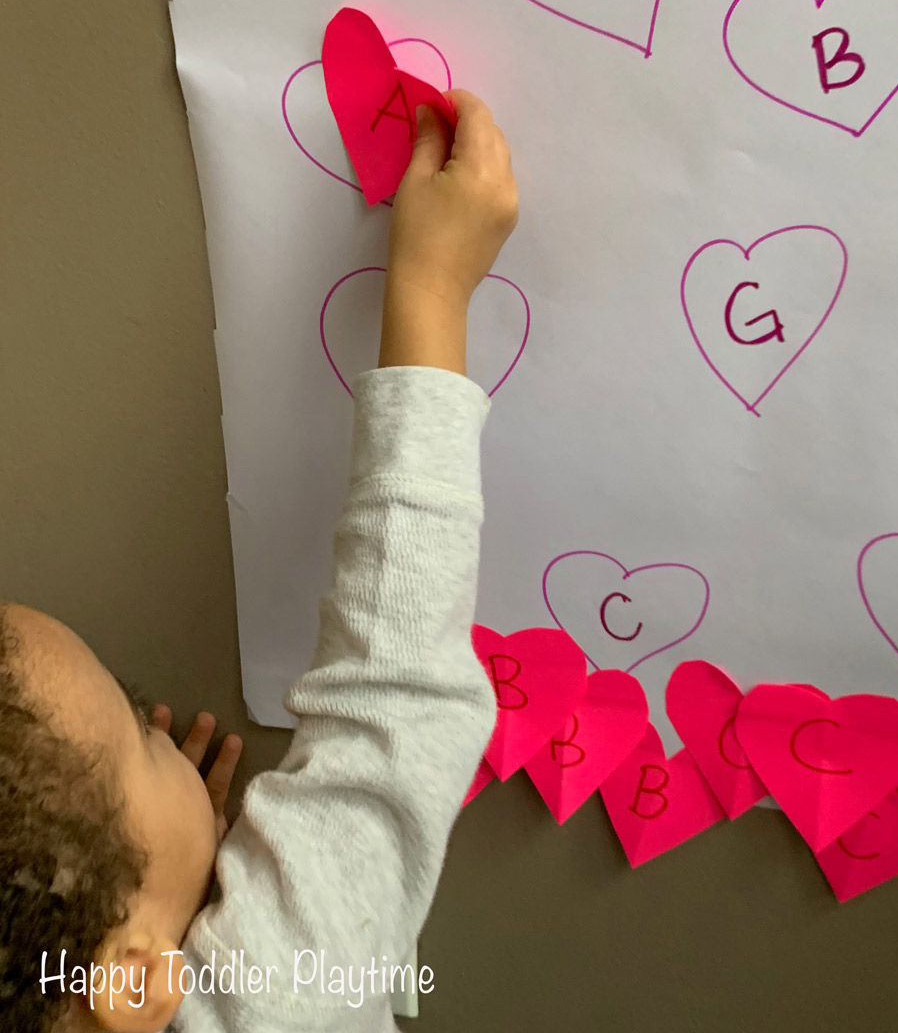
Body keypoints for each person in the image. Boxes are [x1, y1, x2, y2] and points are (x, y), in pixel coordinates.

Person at [1, 90, 517, 1032]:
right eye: (139, 731)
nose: (162, 729)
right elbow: (393, 708)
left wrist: (151, 878)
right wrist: (431, 292)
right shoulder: (275, 1001)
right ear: (130, 983)